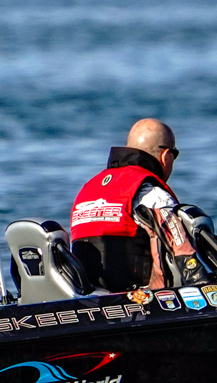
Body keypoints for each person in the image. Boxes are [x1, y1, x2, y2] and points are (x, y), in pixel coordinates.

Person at [69, 118, 182, 292]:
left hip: (85, 294)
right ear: (165, 156)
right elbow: (182, 249)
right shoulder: (151, 193)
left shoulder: (87, 190)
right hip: (135, 299)